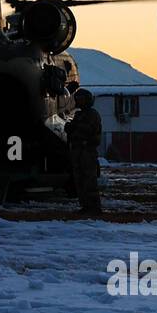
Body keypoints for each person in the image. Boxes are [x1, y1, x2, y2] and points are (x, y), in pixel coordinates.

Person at [67, 87, 104, 216]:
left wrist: (75, 127)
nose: (79, 102)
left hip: (87, 151)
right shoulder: (78, 114)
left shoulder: (92, 114)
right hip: (77, 151)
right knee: (79, 180)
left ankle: (94, 207)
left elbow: (87, 131)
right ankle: (85, 206)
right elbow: (71, 130)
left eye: (81, 99)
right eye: (78, 99)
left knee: (89, 180)